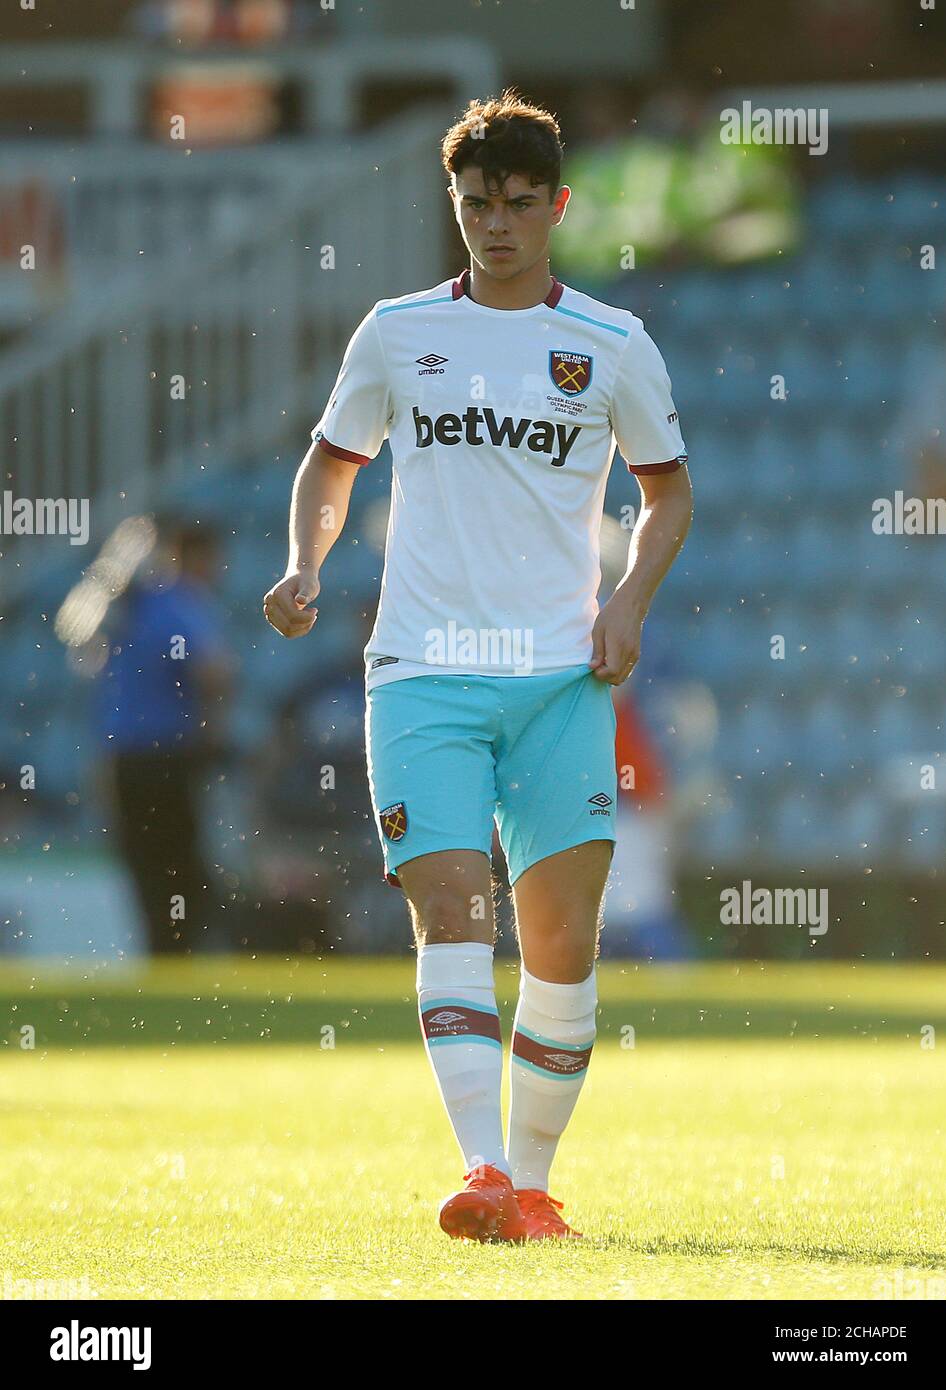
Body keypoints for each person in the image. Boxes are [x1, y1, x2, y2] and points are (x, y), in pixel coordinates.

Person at [263, 91, 693, 1241]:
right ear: (451, 204)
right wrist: (303, 564)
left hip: (559, 678)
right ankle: (484, 1168)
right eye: (471, 203)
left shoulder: (611, 345)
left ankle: (540, 1186)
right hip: (421, 671)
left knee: (560, 939)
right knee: (452, 908)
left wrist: (630, 600)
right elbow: (330, 466)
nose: (493, 223)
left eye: (513, 203)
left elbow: (668, 491)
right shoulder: (398, 331)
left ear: (556, 206)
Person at [95, 517, 232, 955]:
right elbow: (212, 673)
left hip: (124, 755)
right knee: (180, 859)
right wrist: (213, 728)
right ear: (194, 556)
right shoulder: (181, 602)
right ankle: (180, 949)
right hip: (167, 755)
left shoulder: (130, 603)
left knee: (143, 860)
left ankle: (160, 948)